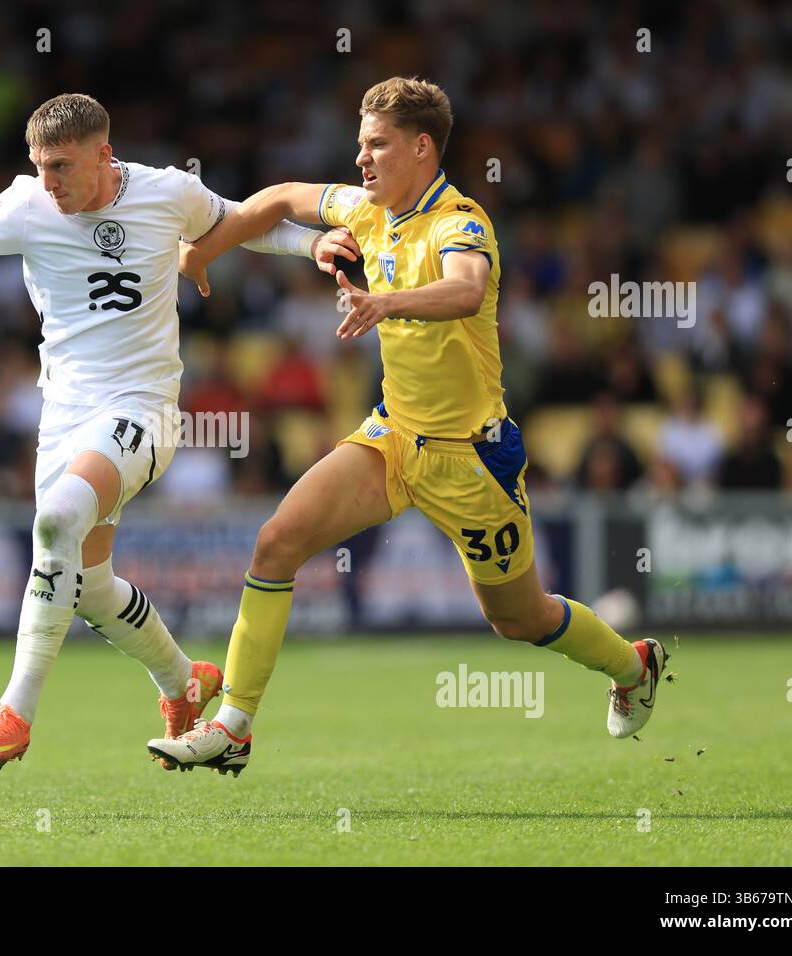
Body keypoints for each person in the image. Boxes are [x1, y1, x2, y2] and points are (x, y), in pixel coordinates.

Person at [0, 93, 359, 770]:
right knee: (89, 585)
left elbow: (244, 223)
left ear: (104, 156)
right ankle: (182, 681)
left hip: (142, 408)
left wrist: (312, 242)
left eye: (61, 166)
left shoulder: (167, 193)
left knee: (55, 523)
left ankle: (14, 712)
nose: (49, 182)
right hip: (66, 416)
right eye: (39, 166)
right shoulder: (24, 205)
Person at [149, 77, 668, 775]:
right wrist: (207, 250)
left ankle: (632, 666)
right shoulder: (366, 209)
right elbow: (275, 198)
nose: (360, 159)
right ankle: (234, 727)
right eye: (359, 144)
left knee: (521, 619)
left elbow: (467, 290)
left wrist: (385, 301)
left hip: (471, 460)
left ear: (421, 148)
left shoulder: (461, 221)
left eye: (376, 145)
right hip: (393, 438)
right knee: (277, 541)